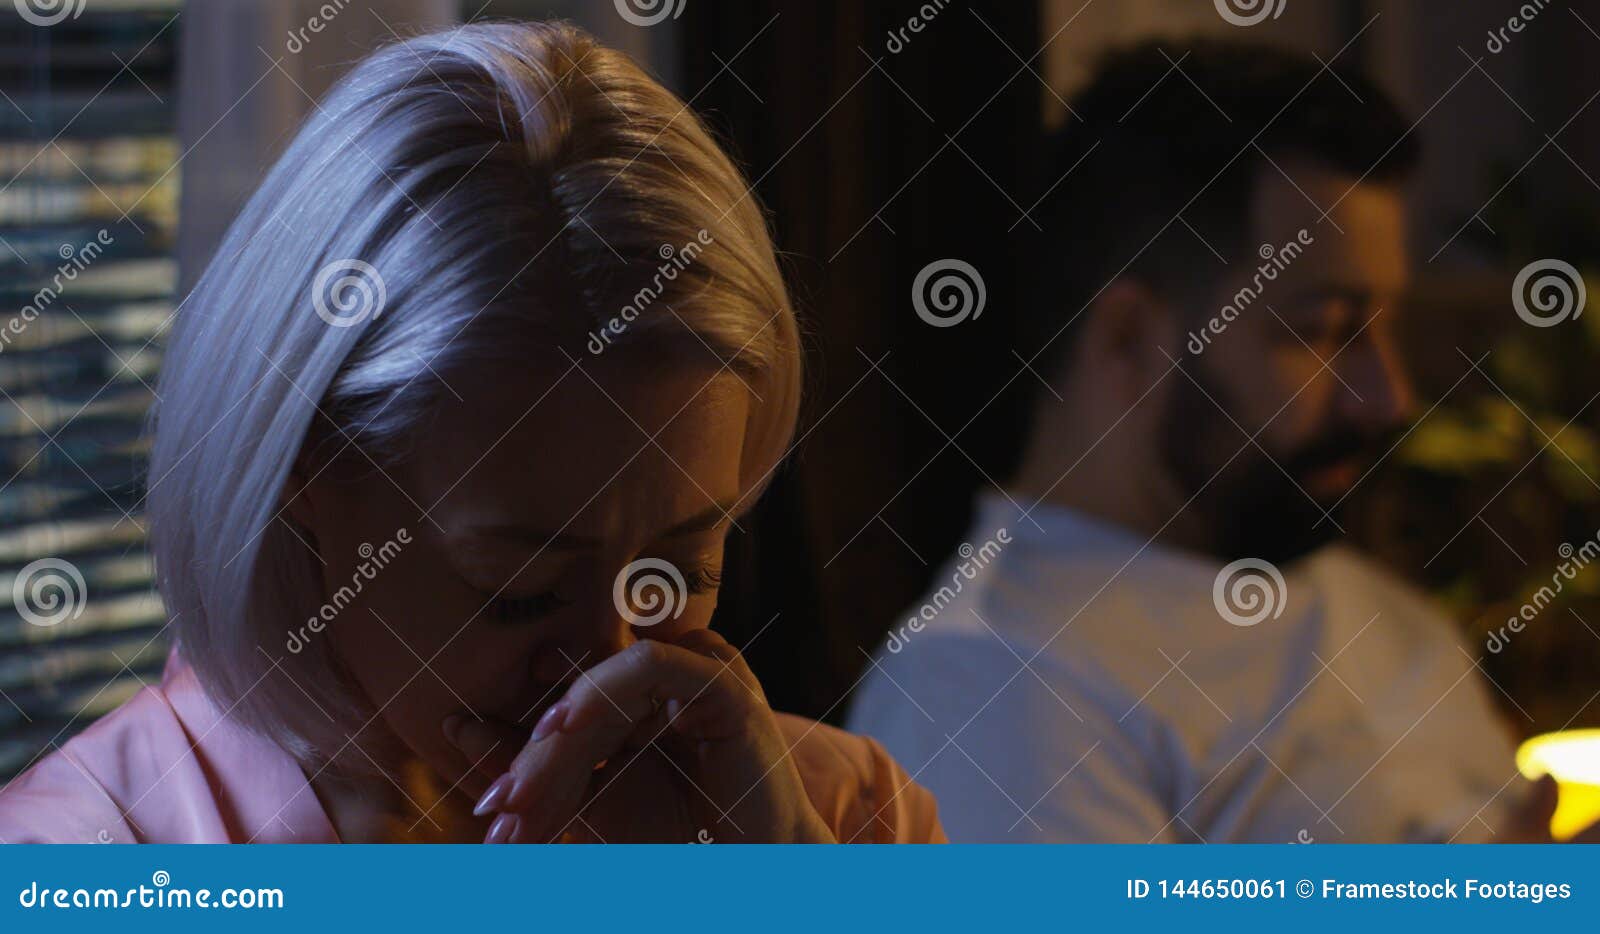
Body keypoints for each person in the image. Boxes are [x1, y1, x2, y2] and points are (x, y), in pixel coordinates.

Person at [0, 22, 942, 845]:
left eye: (674, 576)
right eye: (519, 592)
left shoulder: (844, 823)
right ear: (303, 479)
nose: (607, 665)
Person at [849, 40, 1583, 843]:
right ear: (1130, 336)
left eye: (1384, 328)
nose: (1388, 396)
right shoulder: (993, 682)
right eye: (1323, 329)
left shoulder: (1367, 601)